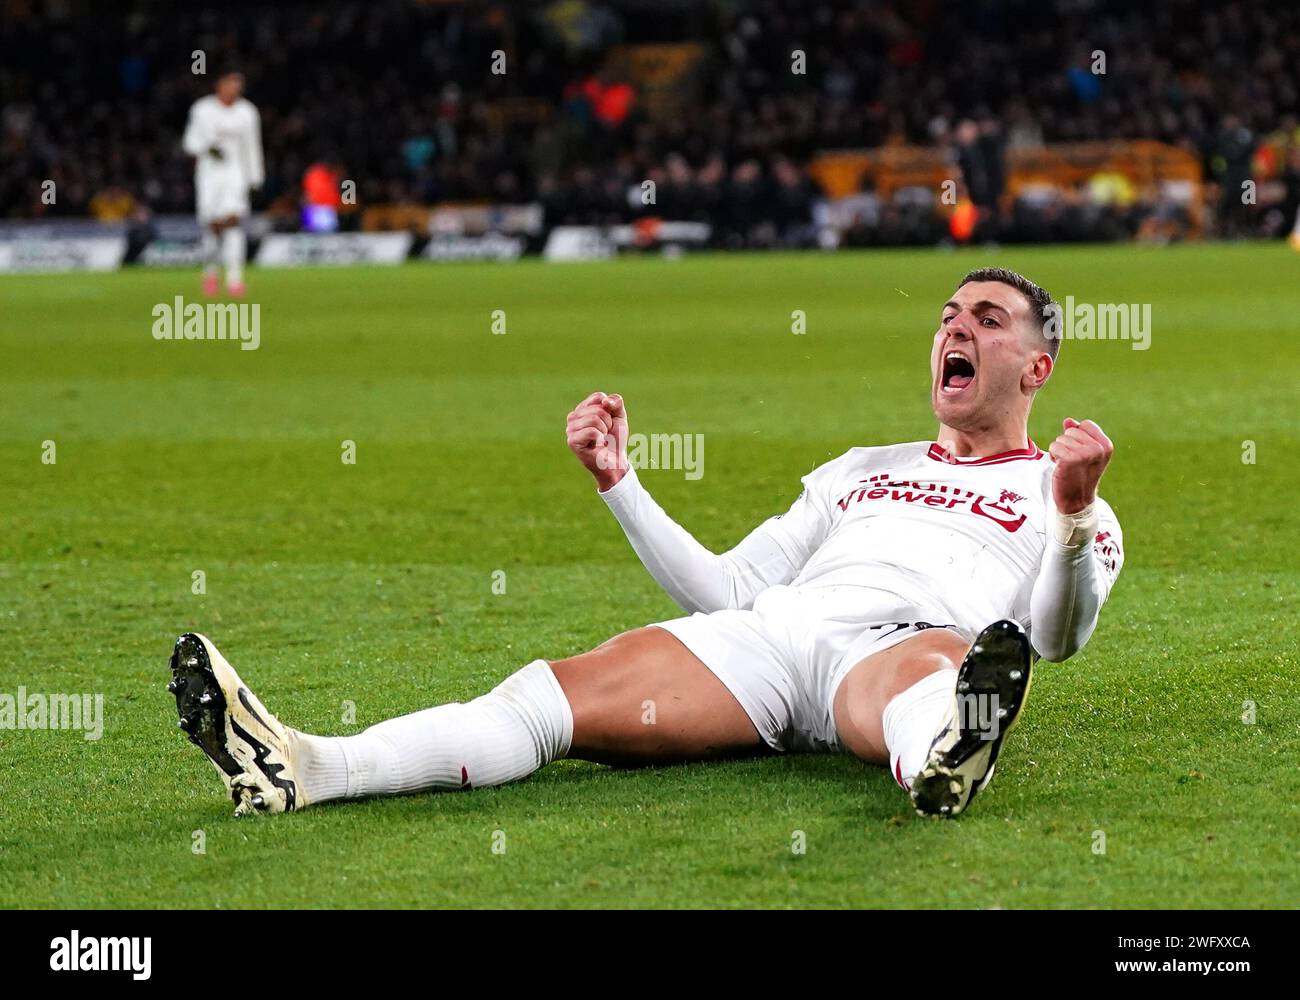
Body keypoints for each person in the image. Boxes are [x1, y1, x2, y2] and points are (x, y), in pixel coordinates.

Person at [168, 267, 1123, 819]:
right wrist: (619, 482)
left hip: (899, 647)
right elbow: (725, 587)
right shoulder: (857, 466)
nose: (956, 330)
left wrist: (1075, 512)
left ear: (1036, 366)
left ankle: (946, 756)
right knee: (549, 694)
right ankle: (305, 766)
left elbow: (1055, 638)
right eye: (948, 317)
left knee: (935, 678)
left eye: (985, 321)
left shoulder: (1066, 493)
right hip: (770, 640)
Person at [181, 70, 263, 297]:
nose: (235, 87)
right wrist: (207, 148)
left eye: (239, 82)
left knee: (234, 220)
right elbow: (189, 142)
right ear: (219, 84)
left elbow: (252, 146)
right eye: (231, 82)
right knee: (213, 225)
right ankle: (210, 273)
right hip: (209, 174)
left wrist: (255, 177)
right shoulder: (202, 109)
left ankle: (235, 278)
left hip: (236, 173)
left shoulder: (247, 112)